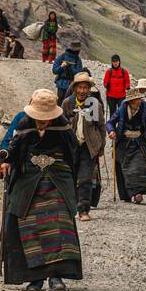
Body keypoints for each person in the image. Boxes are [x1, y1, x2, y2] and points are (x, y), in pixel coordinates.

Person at [0, 89, 82, 291]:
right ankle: (35, 278)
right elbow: (11, 144)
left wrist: (72, 176)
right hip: (28, 181)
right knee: (28, 226)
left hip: (57, 180)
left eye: (45, 118)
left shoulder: (61, 124)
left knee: (59, 224)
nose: (42, 122)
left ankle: (56, 277)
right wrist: (5, 157)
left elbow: (73, 152)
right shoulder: (22, 121)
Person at [61, 71, 106, 221]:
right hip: (72, 146)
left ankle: (83, 210)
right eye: (79, 88)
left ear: (89, 89)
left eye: (85, 88)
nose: (82, 91)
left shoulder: (94, 104)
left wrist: (101, 146)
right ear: (74, 88)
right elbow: (61, 125)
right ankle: (71, 207)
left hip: (89, 146)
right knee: (71, 177)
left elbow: (100, 125)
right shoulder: (68, 103)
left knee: (85, 178)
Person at [106, 89, 146, 203]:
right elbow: (110, 122)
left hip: (138, 142)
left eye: (138, 99)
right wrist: (111, 131)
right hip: (123, 142)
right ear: (129, 102)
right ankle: (127, 194)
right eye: (135, 100)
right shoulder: (122, 109)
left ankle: (137, 193)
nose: (137, 102)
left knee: (139, 166)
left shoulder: (143, 108)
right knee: (124, 168)